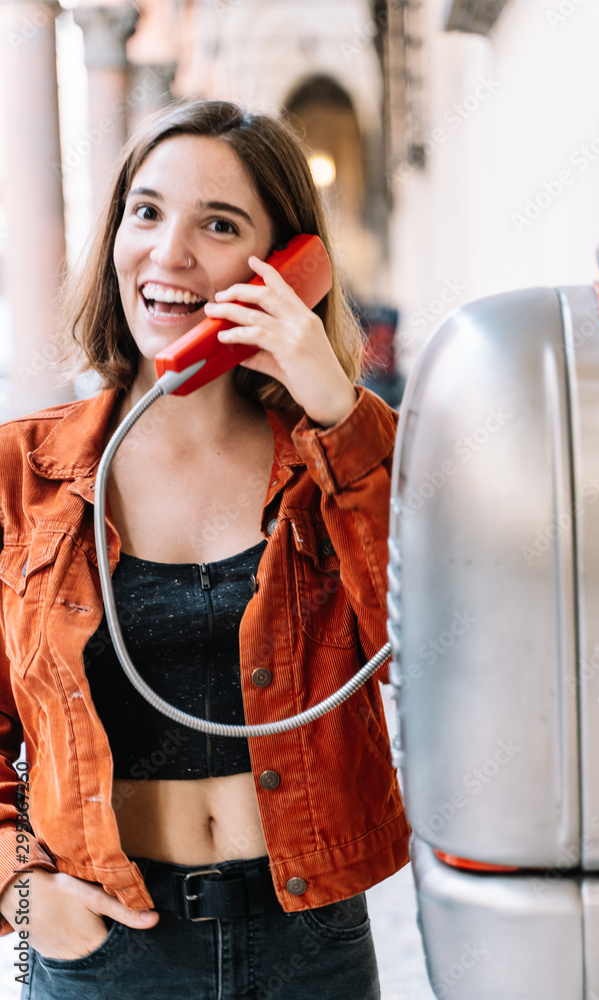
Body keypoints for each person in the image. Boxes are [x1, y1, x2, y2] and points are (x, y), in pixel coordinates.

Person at [0, 99, 409, 999]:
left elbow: (429, 646)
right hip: (107, 945)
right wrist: (23, 895)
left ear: (287, 269)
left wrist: (338, 416)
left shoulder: (338, 455)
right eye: (145, 213)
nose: (169, 253)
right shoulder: (21, 471)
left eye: (217, 225)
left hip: (312, 942)